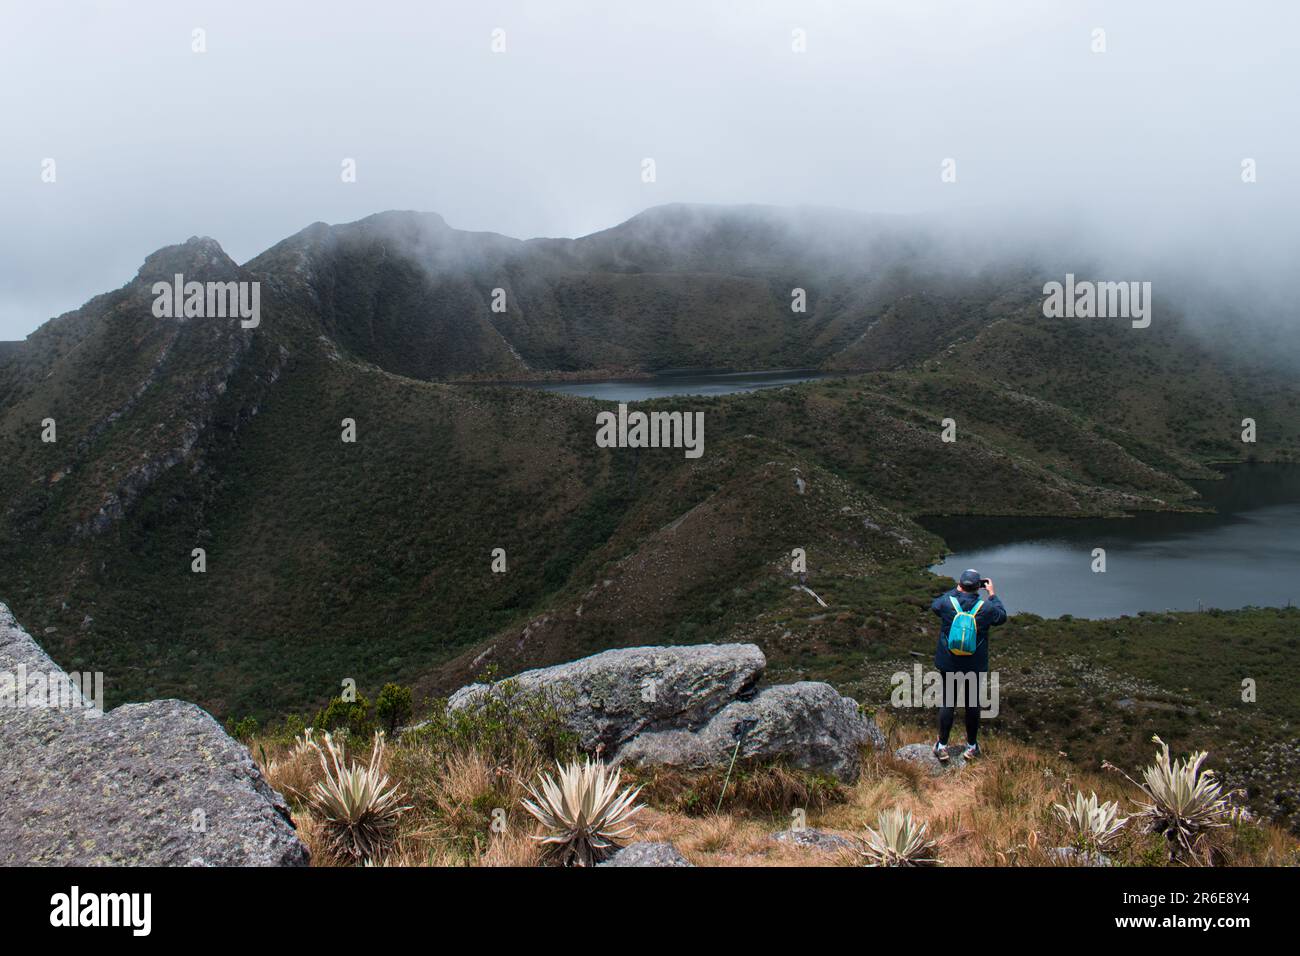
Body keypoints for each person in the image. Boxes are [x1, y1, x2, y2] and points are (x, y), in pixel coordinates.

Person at [930, 568, 1007, 762]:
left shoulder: (948, 603)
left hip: (949, 662)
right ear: (978, 587)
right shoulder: (986, 608)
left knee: (948, 702)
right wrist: (992, 594)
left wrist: (955, 590)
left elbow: (935, 605)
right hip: (974, 664)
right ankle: (971, 747)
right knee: (972, 704)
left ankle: (942, 746)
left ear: (961, 585)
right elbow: (1002, 616)